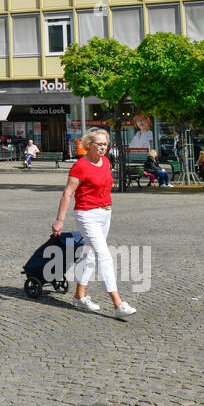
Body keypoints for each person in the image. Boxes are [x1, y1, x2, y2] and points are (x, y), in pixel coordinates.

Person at [52, 128, 136, 319]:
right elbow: (67, 193)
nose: (103, 148)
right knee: (103, 255)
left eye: (105, 144)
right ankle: (118, 303)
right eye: (99, 144)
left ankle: (79, 296)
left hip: (105, 213)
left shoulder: (105, 162)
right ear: (89, 144)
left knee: (89, 255)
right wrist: (59, 220)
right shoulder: (80, 166)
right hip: (86, 215)